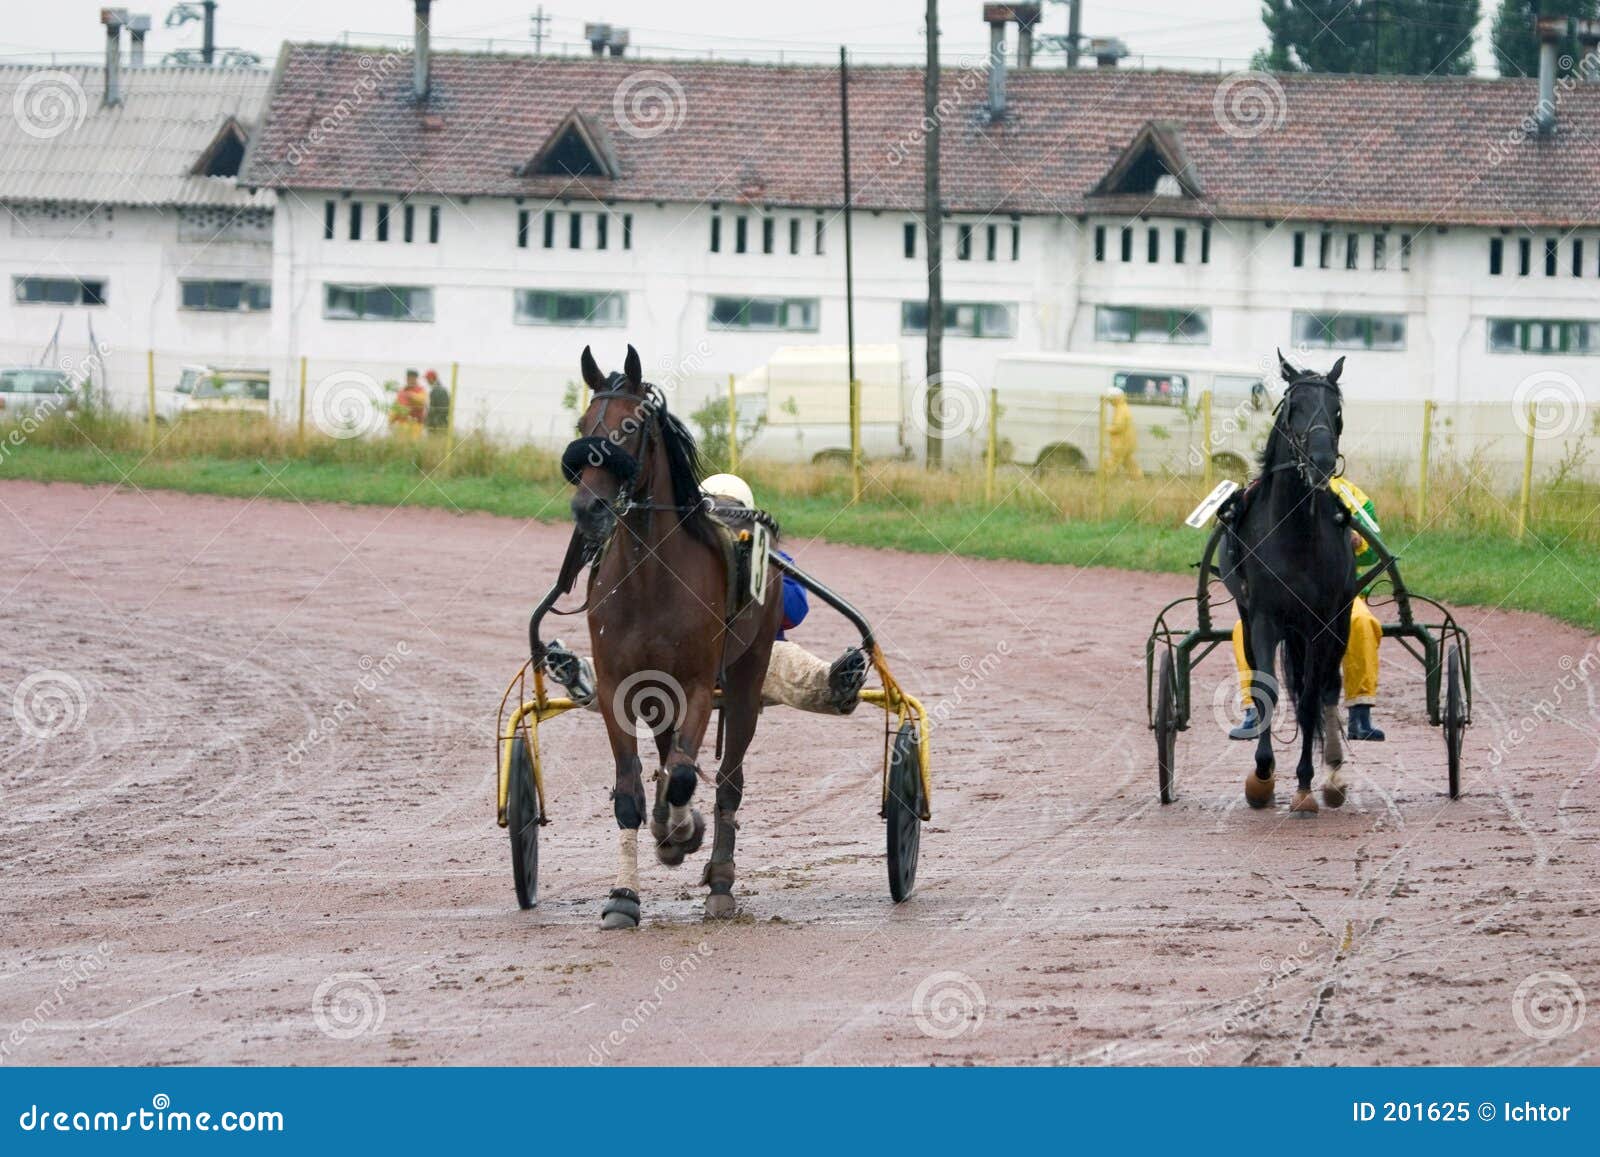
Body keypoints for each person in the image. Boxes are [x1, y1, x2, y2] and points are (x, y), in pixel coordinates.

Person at [542, 473, 869, 716]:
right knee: (627, 664)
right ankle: (581, 675)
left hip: (750, 662)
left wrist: (756, 571)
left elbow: (794, 612)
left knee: (785, 658)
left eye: (731, 512)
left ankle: (834, 684)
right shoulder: (679, 560)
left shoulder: (770, 558)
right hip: (681, 661)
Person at [1229, 475, 1385, 742]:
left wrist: (1357, 544)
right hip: (1278, 595)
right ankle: (1255, 709)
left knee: (1361, 622)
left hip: (1335, 595)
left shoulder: (1352, 496)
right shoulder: (1271, 491)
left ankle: (1360, 714)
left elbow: (1373, 552)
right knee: (1245, 628)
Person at [1106, 389, 1144, 480]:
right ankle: (1138, 480)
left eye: (1110, 399)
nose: (1110, 402)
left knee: (1112, 462)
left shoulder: (1120, 410)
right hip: (1127, 442)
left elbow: (1118, 427)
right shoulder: (1122, 407)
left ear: (1115, 398)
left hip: (1121, 443)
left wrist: (1107, 429)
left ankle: (1103, 481)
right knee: (1129, 463)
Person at [392, 369, 427, 435]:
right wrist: (391, 420)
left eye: (413, 378)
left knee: (414, 440)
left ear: (416, 379)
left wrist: (410, 395)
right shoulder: (402, 391)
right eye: (409, 378)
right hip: (402, 424)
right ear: (406, 379)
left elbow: (423, 400)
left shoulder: (420, 390)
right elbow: (395, 407)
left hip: (416, 424)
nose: (411, 380)